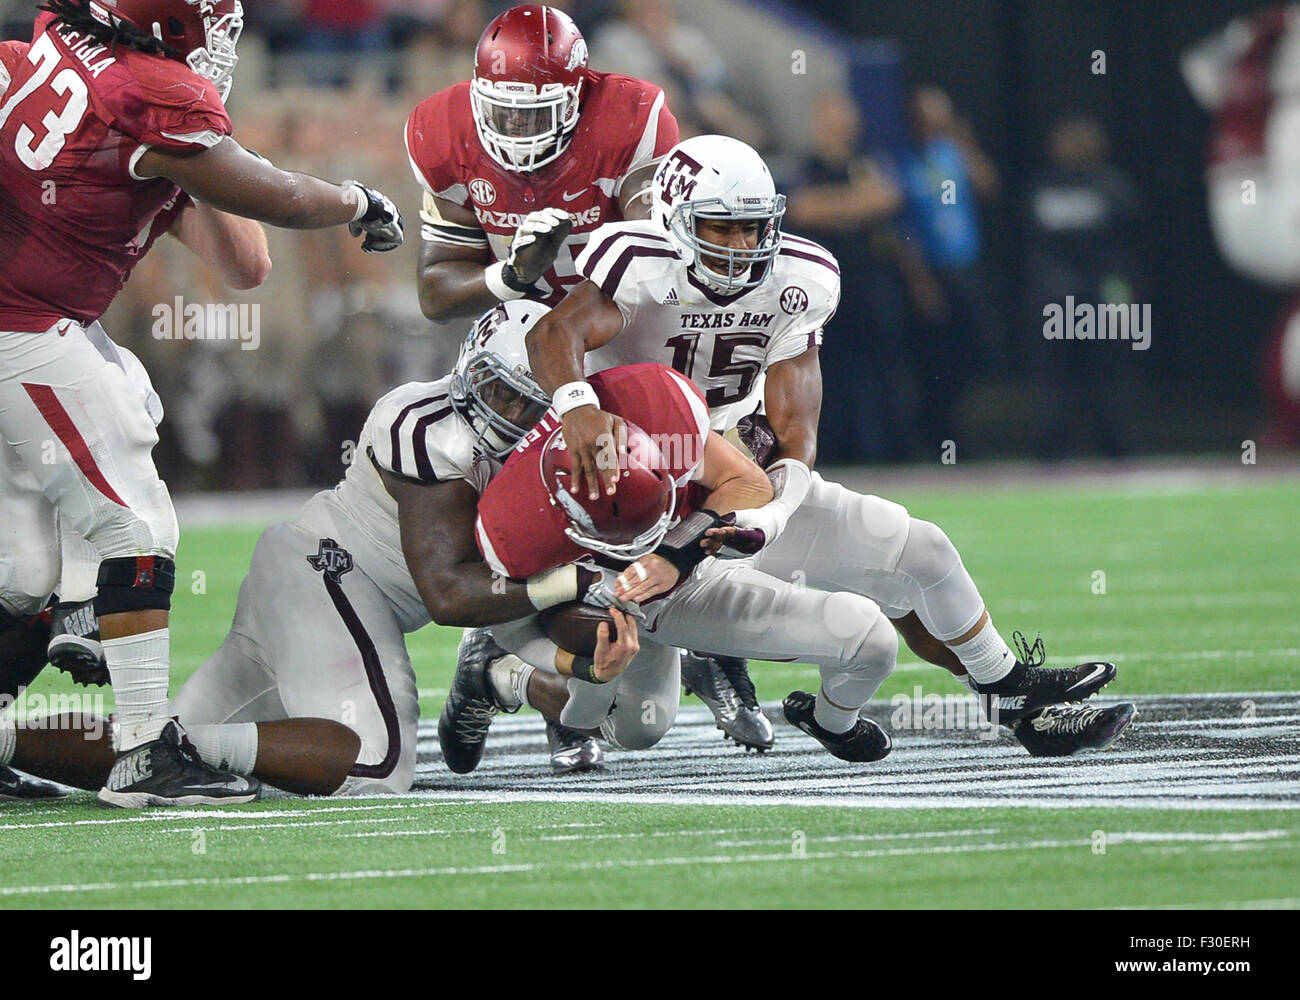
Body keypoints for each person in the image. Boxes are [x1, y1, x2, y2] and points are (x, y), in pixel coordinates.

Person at [521, 133, 1135, 758]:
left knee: (922, 549)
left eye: (753, 229)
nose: (741, 248)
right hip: (636, 508)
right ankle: (505, 664)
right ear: (676, 221)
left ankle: (1010, 695)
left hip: (735, 479)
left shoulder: (797, 277)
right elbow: (552, 335)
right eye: (720, 228)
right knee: (641, 725)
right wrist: (579, 410)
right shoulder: (635, 265)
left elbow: (795, 438)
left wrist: (765, 514)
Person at [0, 0, 404, 807]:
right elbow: (284, 203)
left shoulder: (39, 50)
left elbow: (245, 265)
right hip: (26, 330)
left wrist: (195, 166)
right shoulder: (148, 94)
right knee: (137, 525)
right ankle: (146, 748)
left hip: (39, 322)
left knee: (24, 571)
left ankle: (79, 607)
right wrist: (360, 201)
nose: (221, 35)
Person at [406, 3, 772, 758]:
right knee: (561, 500)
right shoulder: (438, 130)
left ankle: (709, 646)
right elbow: (437, 292)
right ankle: (509, 663)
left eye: (536, 111)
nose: (516, 134)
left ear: (577, 94)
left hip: (620, 314)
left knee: (708, 452)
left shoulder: (631, 115)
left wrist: (582, 337)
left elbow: (652, 248)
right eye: (502, 113)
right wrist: (511, 275)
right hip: (519, 335)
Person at [442, 359, 900, 768]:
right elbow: (512, 625)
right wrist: (580, 663)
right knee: (629, 724)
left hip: (691, 568)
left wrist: (674, 550)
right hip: (604, 596)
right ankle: (500, 676)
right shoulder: (510, 527)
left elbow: (749, 482)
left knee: (873, 641)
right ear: (567, 520)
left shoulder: (656, 409)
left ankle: (832, 723)